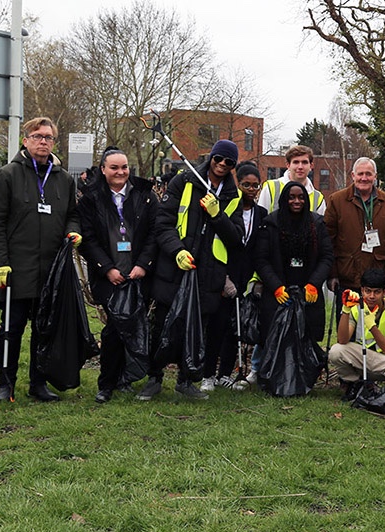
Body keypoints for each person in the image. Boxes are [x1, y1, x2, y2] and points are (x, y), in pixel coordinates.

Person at [137, 139, 244, 401]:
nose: (221, 165)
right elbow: (163, 224)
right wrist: (177, 251)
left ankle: (186, 380)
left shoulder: (234, 196)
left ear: (233, 166)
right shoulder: (184, 181)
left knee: (197, 330)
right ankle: (154, 378)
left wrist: (217, 215)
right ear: (211, 158)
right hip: (174, 269)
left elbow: (236, 238)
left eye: (228, 162)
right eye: (218, 159)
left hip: (209, 275)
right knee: (162, 325)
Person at [0, 117, 81, 402]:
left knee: (44, 331)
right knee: (11, 329)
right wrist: (0, 262)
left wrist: (73, 232)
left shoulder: (64, 178)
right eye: (37, 136)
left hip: (50, 271)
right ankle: (5, 384)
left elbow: (73, 214)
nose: (43, 141)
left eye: (48, 137)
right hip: (16, 268)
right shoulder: (7, 175)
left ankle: (38, 383)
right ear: (26, 140)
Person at [77, 148, 158, 403]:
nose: (120, 172)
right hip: (108, 276)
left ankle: (126, 378)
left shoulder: (145, 195)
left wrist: (144, 264)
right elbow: (87, 239)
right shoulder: (90, 198)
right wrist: (107, 268)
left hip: (138, 274)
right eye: (114, 167)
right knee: (113, 329)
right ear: (103, 169)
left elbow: (156, 232)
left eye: (124, 167)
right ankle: (107, 383)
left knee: (134, 327)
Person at [254, 181, 334, 346]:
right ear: (284, 199)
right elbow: (261, 259)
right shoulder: (270, 223)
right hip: (278, 291)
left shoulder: (317, 224)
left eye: (300, 197)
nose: (296, 201)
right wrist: (275, 286)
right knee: (275, 341)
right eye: (291, 198)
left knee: (307, 341)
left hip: (308, 292)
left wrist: (314, 283)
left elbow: (326, 257)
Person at [212, 161, 268, 389]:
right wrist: (223, 278)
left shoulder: (261, 214)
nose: (251, 190)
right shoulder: (227, 208)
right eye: (246, 185)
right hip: (223, 277)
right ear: (238, 184)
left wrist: (255, 280)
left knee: (236, 328)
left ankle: (227, 372)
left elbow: (260, 249)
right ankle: (209, 373)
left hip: (246, 279)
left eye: (256, 186)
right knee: (217, 326)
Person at [325, 157, 385, 295]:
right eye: (360, 174)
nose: (364, 178)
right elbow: (328, 241)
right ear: (353, 175)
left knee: (374, 317)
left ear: (375, 176)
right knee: (345, 317)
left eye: (368, 174)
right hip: (346, 277)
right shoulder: (337, 201)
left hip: (376, 281)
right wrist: (332, 274)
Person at [329, 268, 385, 395]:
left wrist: (371, 325)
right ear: (362, 290)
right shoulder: (355, 307)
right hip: (363, 358)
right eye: (368, 291)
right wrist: (345, 310)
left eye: (377, 292)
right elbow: (342, 340)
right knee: (336, 351)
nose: (371, 296)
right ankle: (354, 384)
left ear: (384, 292)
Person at [257, 145, 326, 215]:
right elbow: (261, 219)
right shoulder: (271, 188)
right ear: (288, 165)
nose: (300, 167)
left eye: (304, 162)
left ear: (311, 166)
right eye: (296, 162)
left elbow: (320, 224)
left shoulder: (318, 198)